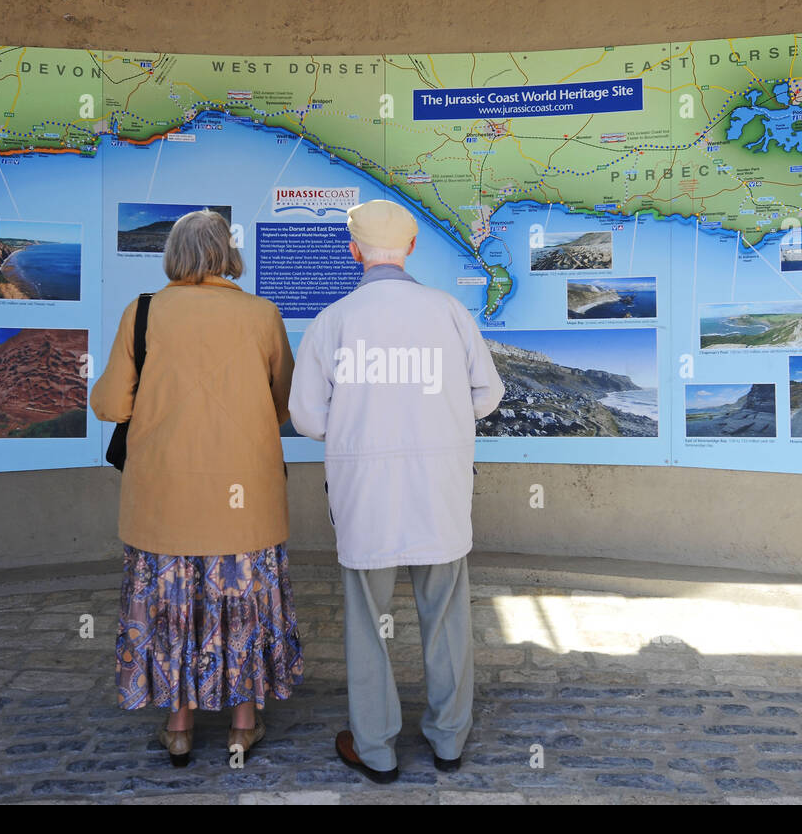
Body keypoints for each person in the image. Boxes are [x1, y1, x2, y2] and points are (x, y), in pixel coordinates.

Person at [288, 199, 504, 783]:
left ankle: (377, 749)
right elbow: (487, 394)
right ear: (410, 248)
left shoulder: (334, 320)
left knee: (366, 620)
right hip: (440, 487)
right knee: (446, 617)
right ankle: (449, 742)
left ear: (353, 251)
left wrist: (363, 425)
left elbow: (307, 416)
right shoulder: (448, 311)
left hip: (366, 491)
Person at [90, 209, 302, 767]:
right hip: (244, 498)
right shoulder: (262, 314)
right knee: (244, 606)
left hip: (166, 500)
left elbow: (112, 405)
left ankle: (180, 727)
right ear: (227, 254)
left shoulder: (144, 312)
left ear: (174, 254)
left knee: (174, 607)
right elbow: (283, 405)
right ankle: (241, 726)